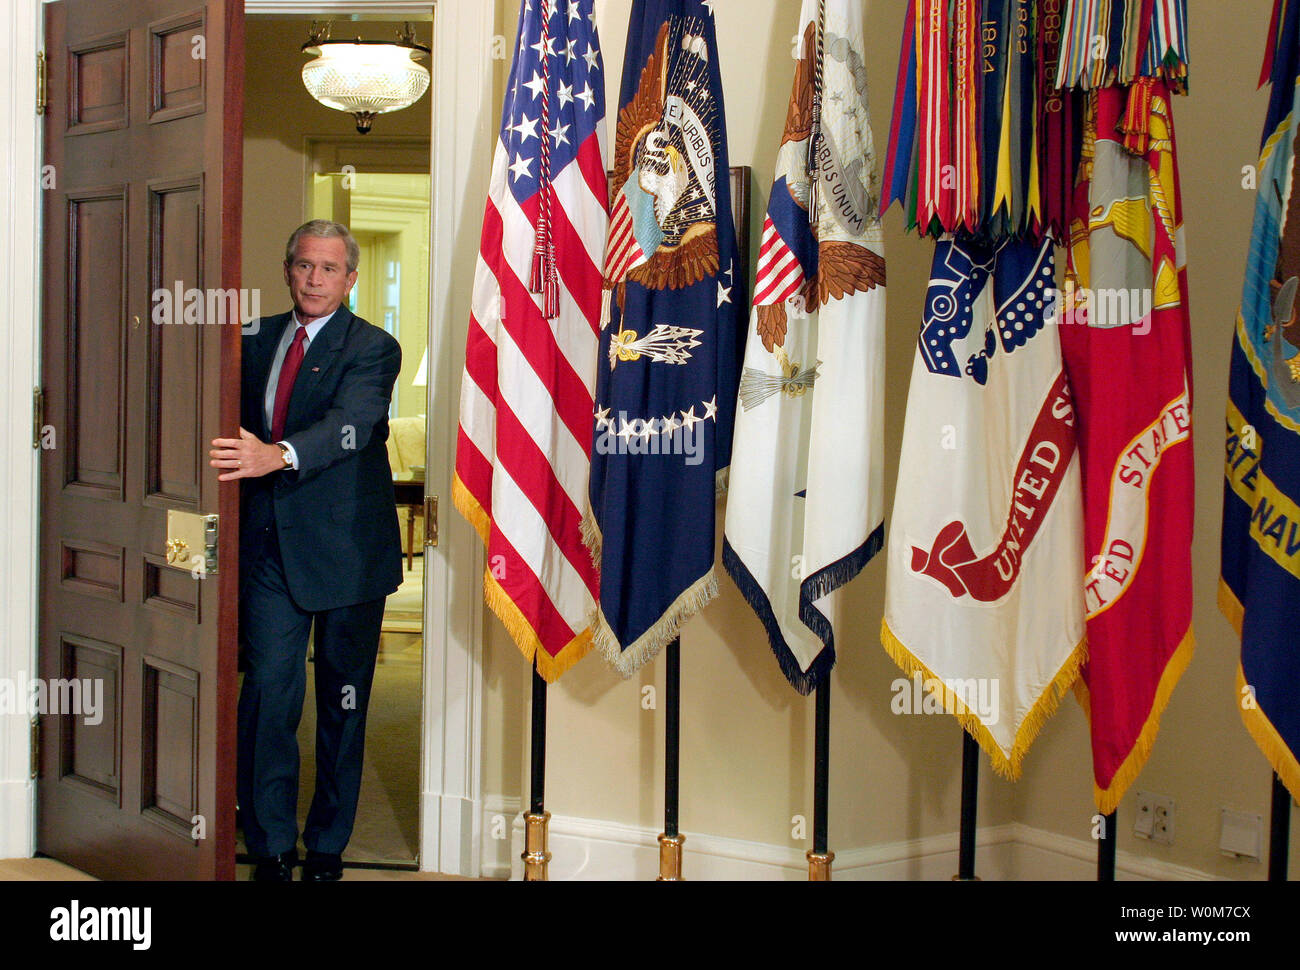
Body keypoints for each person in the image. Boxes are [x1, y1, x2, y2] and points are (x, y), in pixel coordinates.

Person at [209, 219, 403, 881]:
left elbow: (352, 425)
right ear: (288, 270)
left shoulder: (375, 347)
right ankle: (267, 847)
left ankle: (325, 849)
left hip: (349, 553)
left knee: (342, 704)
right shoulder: (250, 339)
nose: (314, 279)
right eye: (303, 266)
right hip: (268, 552)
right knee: (266, 696)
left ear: (350, 279)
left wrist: (278, 455)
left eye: (328, 268)